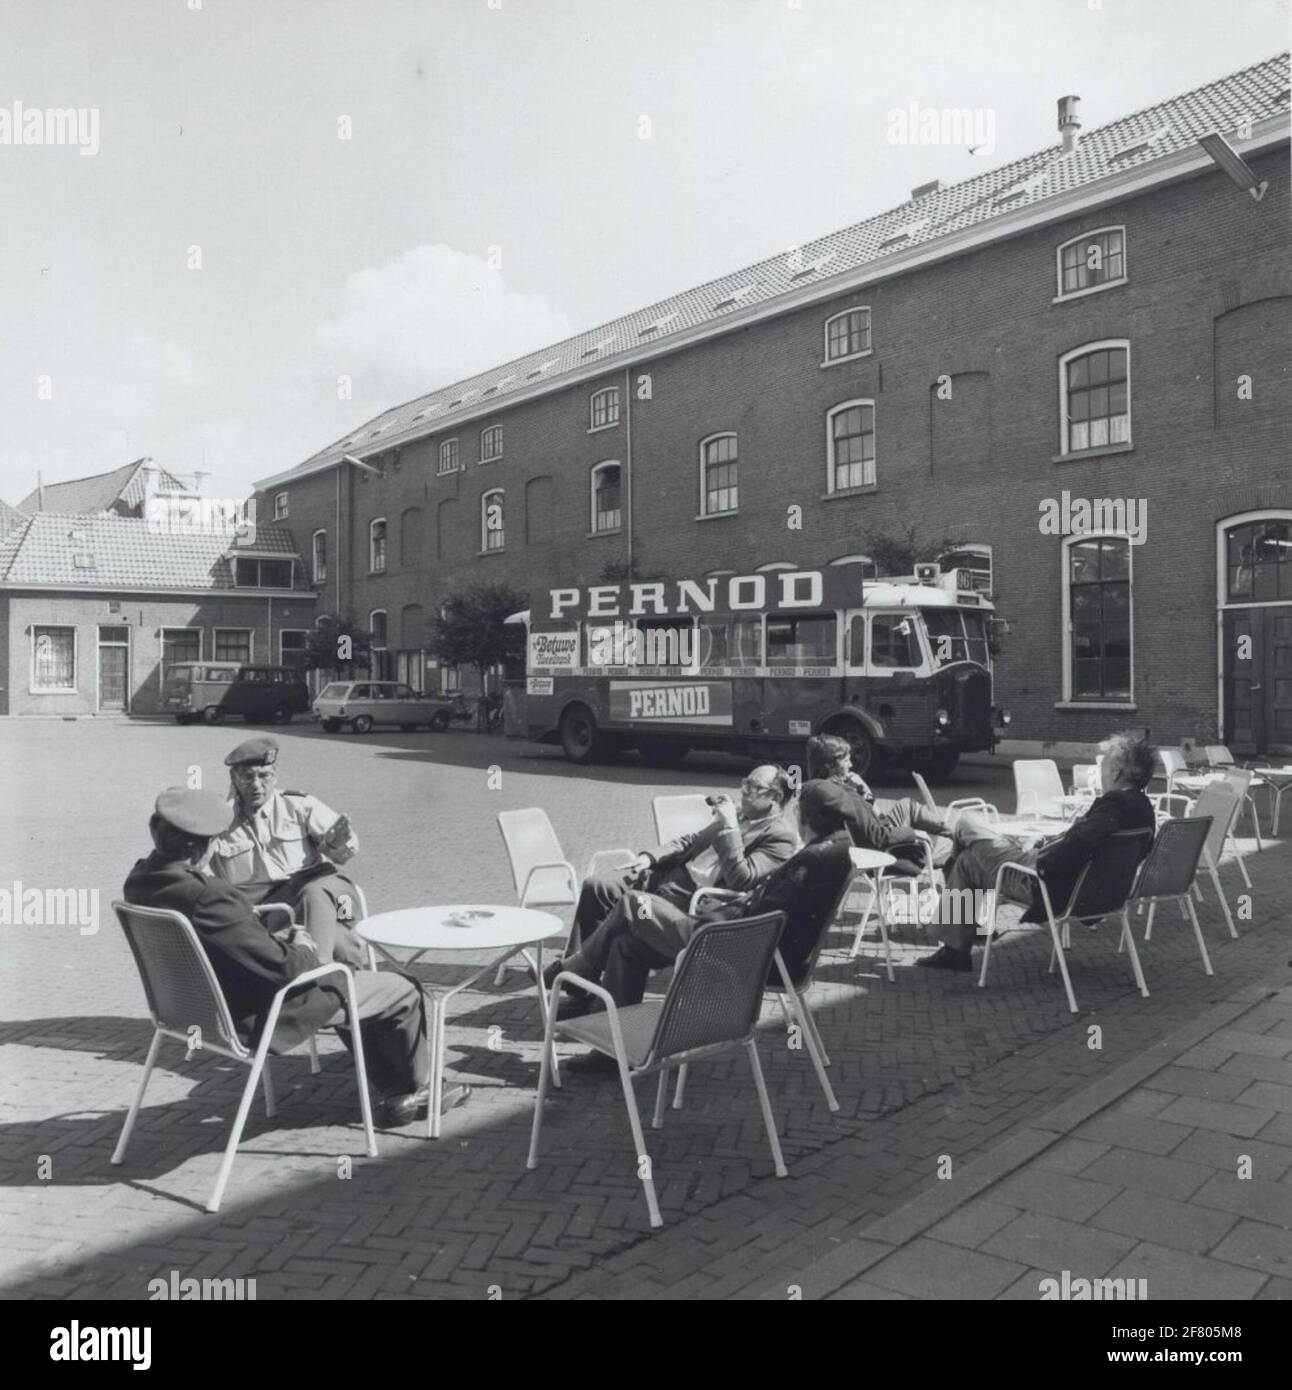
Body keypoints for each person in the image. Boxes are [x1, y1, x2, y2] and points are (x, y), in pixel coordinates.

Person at [123, 788, 431, 1125]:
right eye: (213, 840)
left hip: (189, 1013)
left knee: (351, 983)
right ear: (199, 847)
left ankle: (393, 1086)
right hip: (257, 1015)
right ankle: (421, 1089)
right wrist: (302, 944)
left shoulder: (139, 882)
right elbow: (289, 968)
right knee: (401, 989)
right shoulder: (209, 897)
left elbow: (227, 942)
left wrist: (271, 940)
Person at [555, 779, 858, 1075]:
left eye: (754, 787)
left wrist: (729, 835)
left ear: (800, 813)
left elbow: (748, 888)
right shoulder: (831, 852)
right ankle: (613, 1053)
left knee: (633, 904)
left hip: (723, 942)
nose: (745, 791)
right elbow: (762, 903)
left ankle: (570, 972)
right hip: (726, 928)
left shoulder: (800, 854)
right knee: (626, 945)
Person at [918, 730, 1157, 973]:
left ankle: (954, 931)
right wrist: (1044, 840)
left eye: (1103, 765)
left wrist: (1038, 858)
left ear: (1116, 772)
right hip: (1091, 895)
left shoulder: (1113, 806)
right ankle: (956, 945)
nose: (1100, 772)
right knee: (967, 862)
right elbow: (1086, 844)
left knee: (966, 825)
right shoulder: (1143, 810)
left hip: (1040, 883)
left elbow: (1074, 847)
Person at [567, 764, 798, 948]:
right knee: (596, 886)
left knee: (632, 915)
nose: (744, 790)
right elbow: (690, 840)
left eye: (754, 786)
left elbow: (742, 879)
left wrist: (730, 829)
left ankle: (575, 974)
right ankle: (578, 975)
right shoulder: (740, 813)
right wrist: (650, 857)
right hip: (663, 873)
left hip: (686, 897)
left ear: (775, 798)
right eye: (745, 782)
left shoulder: (780, 836)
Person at [207, 736, 366, 967]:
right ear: (234, 778)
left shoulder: (300, 806)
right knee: (336, 942)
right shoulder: (220, 822)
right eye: (247, 776)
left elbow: (345, 856)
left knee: (336, 913)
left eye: (264, 776)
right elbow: (205, 874)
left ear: (275, 776)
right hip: (273, 913)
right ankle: (338, 984)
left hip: (336, 895)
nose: (256, 785)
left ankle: (323, 973)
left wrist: (336, 844)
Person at [804, 733, 953, 870]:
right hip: (882, 851)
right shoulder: (841, 794)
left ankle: (952, 833)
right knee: (913, 810)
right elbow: (876, 835)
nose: (851, 765)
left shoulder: (827, 790)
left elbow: (870, 820)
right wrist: (914, 833)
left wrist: (862, 790)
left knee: (907, 805)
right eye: (846, 760)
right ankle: (954, 835)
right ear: (830, 765)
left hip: (873, 840)